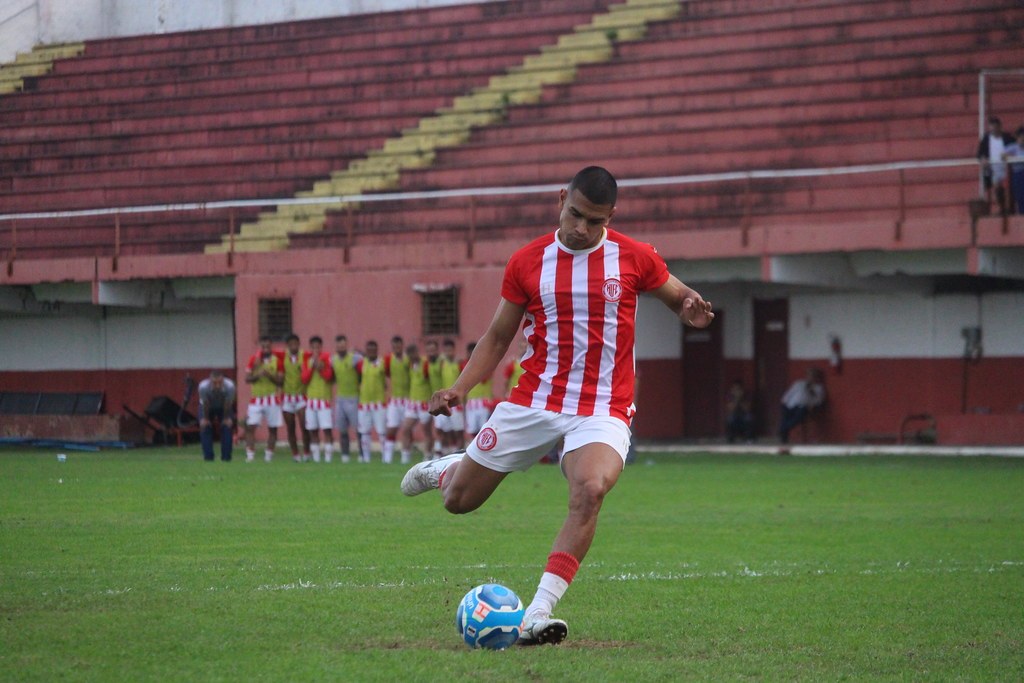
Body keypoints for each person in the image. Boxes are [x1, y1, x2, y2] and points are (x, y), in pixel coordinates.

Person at [400, 166, 714, 646]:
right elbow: (498, 336)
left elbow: (678, 296)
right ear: (561, 198)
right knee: (459, 502)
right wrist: (459, 388)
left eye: (594, 220)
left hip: (603, 406)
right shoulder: (527, 261)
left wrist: (690, 306)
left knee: (590, 489)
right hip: (535, 399)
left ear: (611, 216)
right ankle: (450, 470)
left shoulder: (634, 256)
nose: (581, 228)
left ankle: (537, 613)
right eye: (575, 214)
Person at [244, 335, 284, 463]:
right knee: (250, 427)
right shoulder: (253, 360)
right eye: (263, 346)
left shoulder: (277, 361)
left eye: (268, 346)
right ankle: (250, 456)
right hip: (256, 399)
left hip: (272, 399)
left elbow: (280, 382)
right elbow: (247, 379)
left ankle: (268, 456)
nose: (265, 348)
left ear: (271, 346)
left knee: (273, 429)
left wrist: (269, 375)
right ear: (260, 346)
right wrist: (257, 374)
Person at [301, 335, 335, 462]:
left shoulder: (326, 359)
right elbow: (304, 379)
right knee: (313, 430)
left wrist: (321, 369)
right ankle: (316, 459)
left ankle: (328, 458)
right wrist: (312, 367)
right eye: (313, 347)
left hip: (324, 400)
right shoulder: (307, 361)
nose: (315, 349)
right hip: (311, 401)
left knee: (327, 430)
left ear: (321, 347)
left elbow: (329, 377)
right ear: (310, 348)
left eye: (318, 347)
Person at [281, 333, 311, 463]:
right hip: (287, 397)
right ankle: (295, 454)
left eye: (295, 344)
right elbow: (265, 352)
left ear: (299, 344)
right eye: (291, 344)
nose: (293, 346)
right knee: (290, 427)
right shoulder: (282, 356)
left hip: (301, 396)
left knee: (304, 426)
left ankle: (307, 452)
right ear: (287, 346)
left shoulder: (305, 356)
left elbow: (319, 355)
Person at [356, 340, 388, 463]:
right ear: (366, 351)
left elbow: (385, 381)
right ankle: (366, 458)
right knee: (364, 432)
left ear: (377, 350)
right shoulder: (361, 363)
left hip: (379, 403)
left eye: (373, 350)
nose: (371, 352)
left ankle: (385, 457)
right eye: (369, 350)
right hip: (364, 403)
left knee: (382, 432)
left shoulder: (382, 363)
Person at [384, 335, 413, 465]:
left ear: (402, 346)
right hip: (394, 401)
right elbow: (386, 374)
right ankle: (387, 457)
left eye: (398, 346)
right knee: (391, 428)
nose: (396, 348)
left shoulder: (408, 360)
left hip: (407, 399)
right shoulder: (389, 359)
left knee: (407, 429)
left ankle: (405, 456)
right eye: (394, 346)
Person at [331, 335, 361, 463]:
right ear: (336, 346)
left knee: (358, 429)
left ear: (346, 345)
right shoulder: (333, 360)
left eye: (343, 345)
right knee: (342, 429)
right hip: (340, 399)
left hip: (353, 398)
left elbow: (364, 368)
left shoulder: (355, 358)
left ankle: (362, 455)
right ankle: (345, 456)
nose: (341, 348)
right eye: (339, 345)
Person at [433, 338, 465, 453]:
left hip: (456, 402)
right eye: (446, 350)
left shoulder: (459, 364)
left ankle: (458, 453)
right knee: (442, 429)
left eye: (450, 350)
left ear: (454, 350)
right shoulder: (441, 363)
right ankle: (441, 452)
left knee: (458, 431)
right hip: (443, 401)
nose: (448, 353)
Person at [778, 368, 826, 444]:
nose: (811, 378)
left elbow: (819, 401)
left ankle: (783, 429)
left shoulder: (819, 388)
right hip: (791, 405)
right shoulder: (799, 384)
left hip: (805, 407)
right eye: (810, 375)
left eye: (813, 376)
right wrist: (784, 402)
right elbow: (789, 393)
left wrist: (812, 393)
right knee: (785, 416)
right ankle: (784, 437)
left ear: (817, 377)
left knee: (798, 416)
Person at [977, 116, 1014, 215]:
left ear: (1000, 127)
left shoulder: (1008, 137)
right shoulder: (986, 139)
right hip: (993, 168)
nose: (993, 131)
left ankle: (1010, 208)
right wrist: (983, 158)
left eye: (995, 128)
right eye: (991, 129)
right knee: (996, 188)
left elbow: (1016, 148)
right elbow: (980, 153)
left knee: (1009, 189)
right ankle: (1001, 208)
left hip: (1007, 167)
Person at [405, 343, 435, 461]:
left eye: (413, 354)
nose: (412, 357)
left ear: (417, 352)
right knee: (406, 428)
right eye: (409, 355)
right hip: (413, 403)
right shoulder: (410, 365)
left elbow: (432, 381)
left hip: (424, 403)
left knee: (426, 430)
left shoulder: (426, 364)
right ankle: (405, 455)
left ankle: (428, 454)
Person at [198, 370, 236, 461]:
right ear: (210, 381)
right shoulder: (203, 387)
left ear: (223, 380)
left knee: (227, 427)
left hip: (224, 406)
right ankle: (208, 457)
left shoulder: (230, 386)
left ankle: (226, 458)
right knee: (205, 427)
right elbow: (205, 404)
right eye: (215, 383)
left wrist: (226, 418)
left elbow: (228, 403)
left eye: (220, 382)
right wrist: (205, 418)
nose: (218, 385)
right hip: (207, 407)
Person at [463, 341, 494, 441]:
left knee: (483, 430)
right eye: (470, 353)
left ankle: (482, 447)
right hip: (471, 403)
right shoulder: (464, 366)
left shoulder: (486, 364)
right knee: (472, 430)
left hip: (483, 402)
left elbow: (484, 378)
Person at [423, 339, 444, 457]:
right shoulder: (426, 364)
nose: (431, 353)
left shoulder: (442, 363)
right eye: (429, 351)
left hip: (443, 399)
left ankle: (438, 453)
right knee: (428, 427)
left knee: (440, 428)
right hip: (432, 400)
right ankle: (430, 452)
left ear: (437, 350)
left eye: (433, 350)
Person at [725, 379, 755, 444]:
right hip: (734, 415)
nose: (737, 391)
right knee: (729, 419)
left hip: (744, 415)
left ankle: (748, 438)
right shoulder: (730, 396)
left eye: (738, 389)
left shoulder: (746, 395)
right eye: (735, 389)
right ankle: (730, 438)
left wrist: (741, 399)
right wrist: (736, 399)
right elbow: (731, 409)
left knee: (749, 417)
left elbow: (747, 409)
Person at [1004, 126, 1024, 215]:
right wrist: (1012, 157)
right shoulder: (1013, 147)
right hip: (1018, 174)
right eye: (1021, 137)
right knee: (1020, 196)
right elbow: (1003, 155)